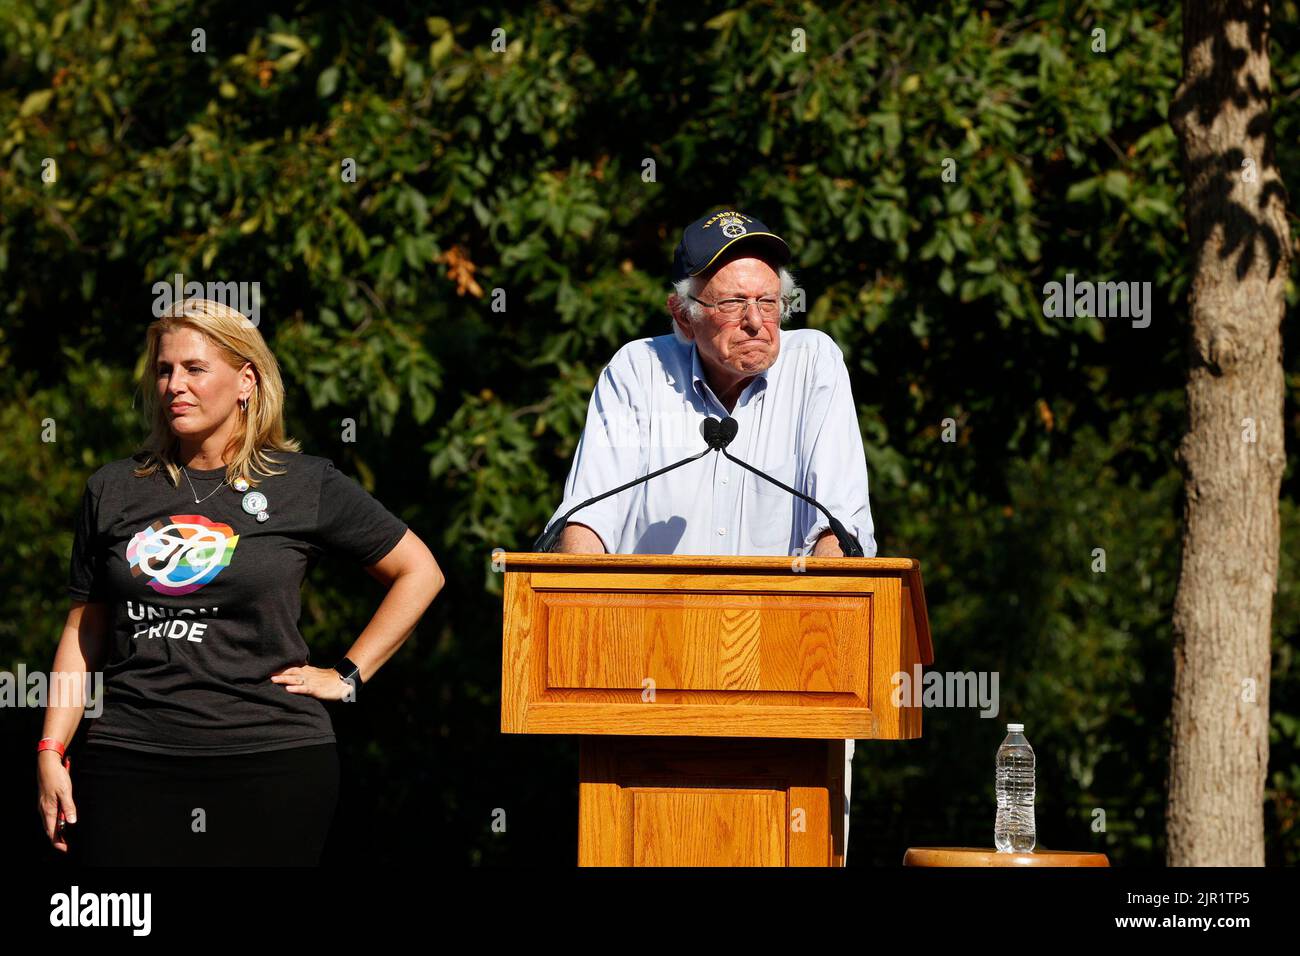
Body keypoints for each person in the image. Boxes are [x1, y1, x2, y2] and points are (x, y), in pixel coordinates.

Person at [35, 299, 444, 865]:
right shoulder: (114, 488)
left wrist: (347, 675)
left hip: (271, 761)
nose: (175, 384)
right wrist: (52, 748)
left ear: (246, 380)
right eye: (164, 369)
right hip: (130, 756)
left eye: (194, 369)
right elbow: (84, 632)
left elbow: (419, 571)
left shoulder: (303, 483)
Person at [543, 209, 876, 864]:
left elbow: (838, 531)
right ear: (682, 314)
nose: (757, 320)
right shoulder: (637, 372)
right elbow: (586, 524)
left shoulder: (816, 366)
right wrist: (587, 649)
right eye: (733, 302)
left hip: (795, 691)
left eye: (769, 300)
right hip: (644, 692)